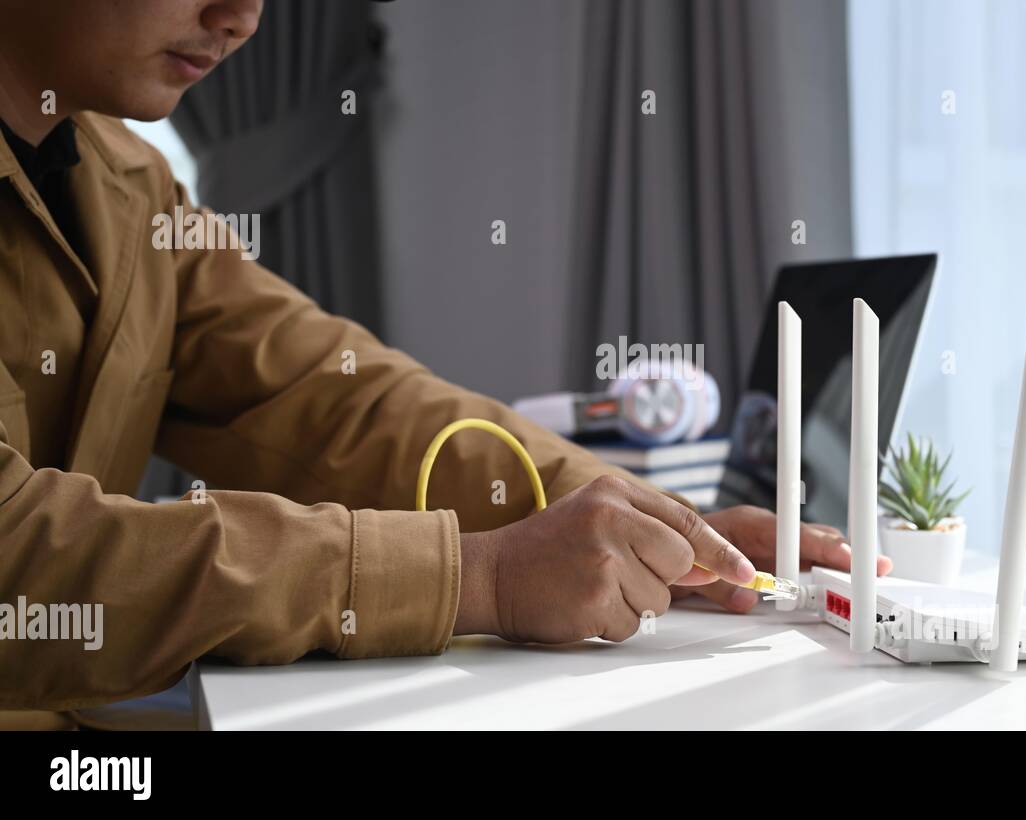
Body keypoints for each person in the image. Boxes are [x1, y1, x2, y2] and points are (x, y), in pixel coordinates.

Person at [0, 0, 889, 729]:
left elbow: (333, 394)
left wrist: (653, 529)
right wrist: (476, 577)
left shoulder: (128, 183)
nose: (242, 18)